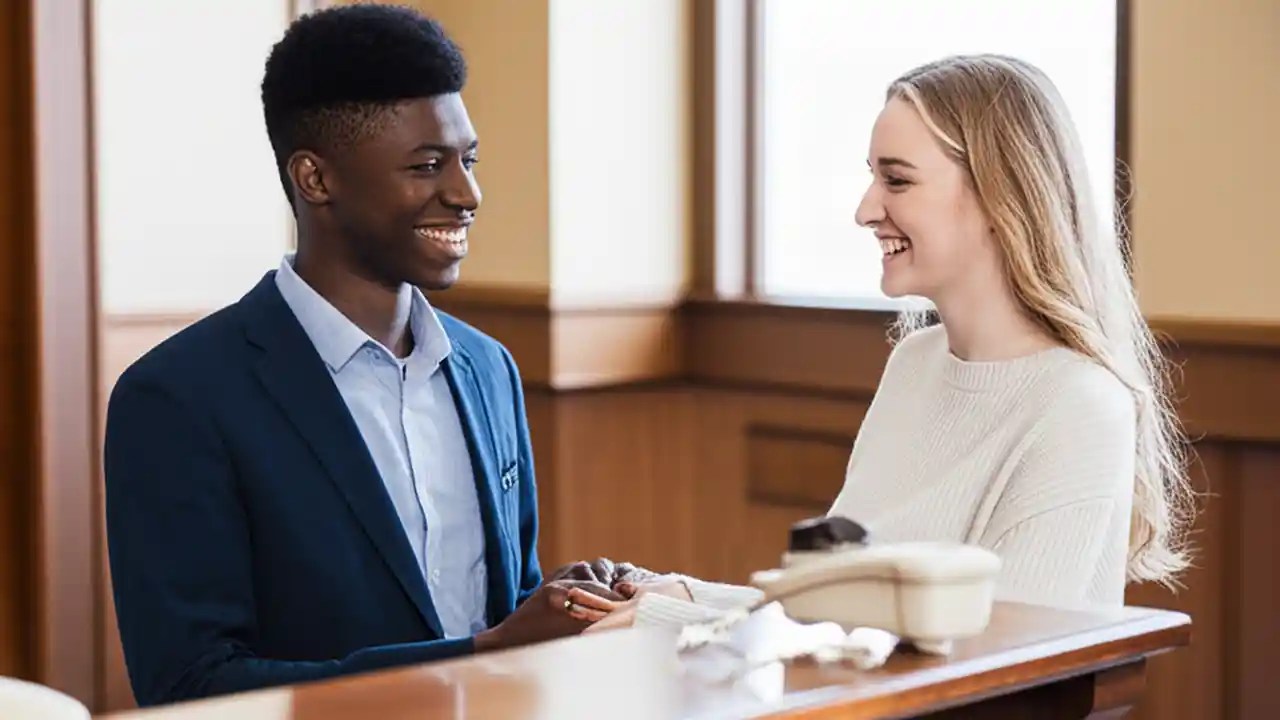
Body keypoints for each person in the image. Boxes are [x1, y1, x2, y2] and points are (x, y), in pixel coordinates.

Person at [104, 5, 623, 706]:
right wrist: (478, 653)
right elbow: (190, 686)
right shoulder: (176, 399)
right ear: (316, 180)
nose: (467, 194)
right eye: (427, 166)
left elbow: (506, 610)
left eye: (468, 160)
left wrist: (568, 610)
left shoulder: (489, 369)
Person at [570, 54, 1196, 630]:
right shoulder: (915, 363)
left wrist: (691, 620)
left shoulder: (1081, 406)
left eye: (896, 181)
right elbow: (837, 615)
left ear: (1000, 196)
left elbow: (993, 659)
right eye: (873, 178)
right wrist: (683, 598)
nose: (866, 210)